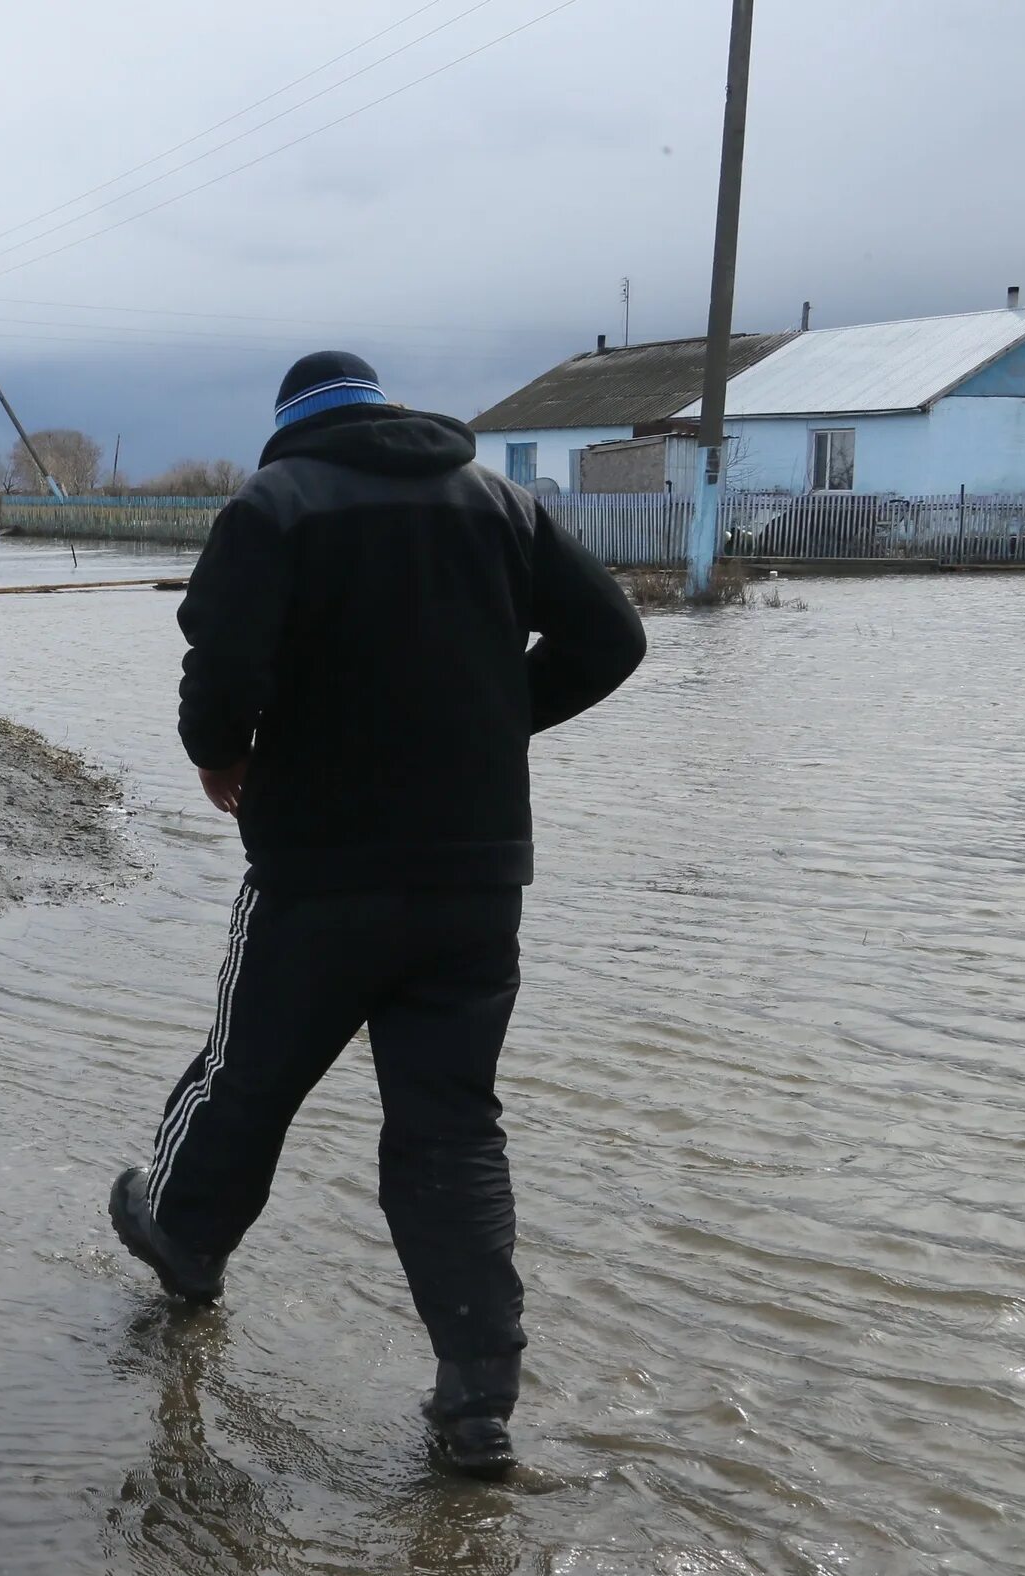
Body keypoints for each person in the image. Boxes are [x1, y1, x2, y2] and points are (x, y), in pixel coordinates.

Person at [109, 351, 646, 1480]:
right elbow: (613, 639)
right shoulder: (499, 502)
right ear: (386, 413)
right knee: (452, 1130)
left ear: (290, 426)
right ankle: (476, 1403)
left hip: (318, 872)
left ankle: (182, 1238)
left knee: (247, 1075)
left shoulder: (275, 504)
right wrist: (496, 724)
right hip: (474, 885)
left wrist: (221, 755)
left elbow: (224, 662)